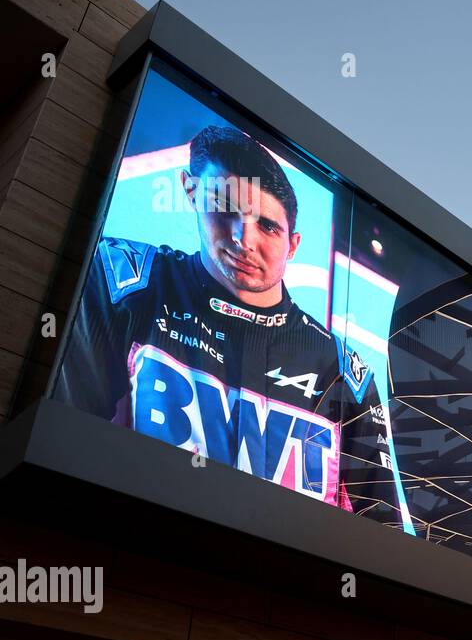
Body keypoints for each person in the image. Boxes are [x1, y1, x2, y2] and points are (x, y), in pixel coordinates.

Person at [56, 124, 400, 521]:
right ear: (190, 191)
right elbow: (63, 441)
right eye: (224, 206)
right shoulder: (126, 282)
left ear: (293, 244)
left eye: (267, 226)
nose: (243, 239)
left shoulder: (343, 371)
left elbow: (379, 535)